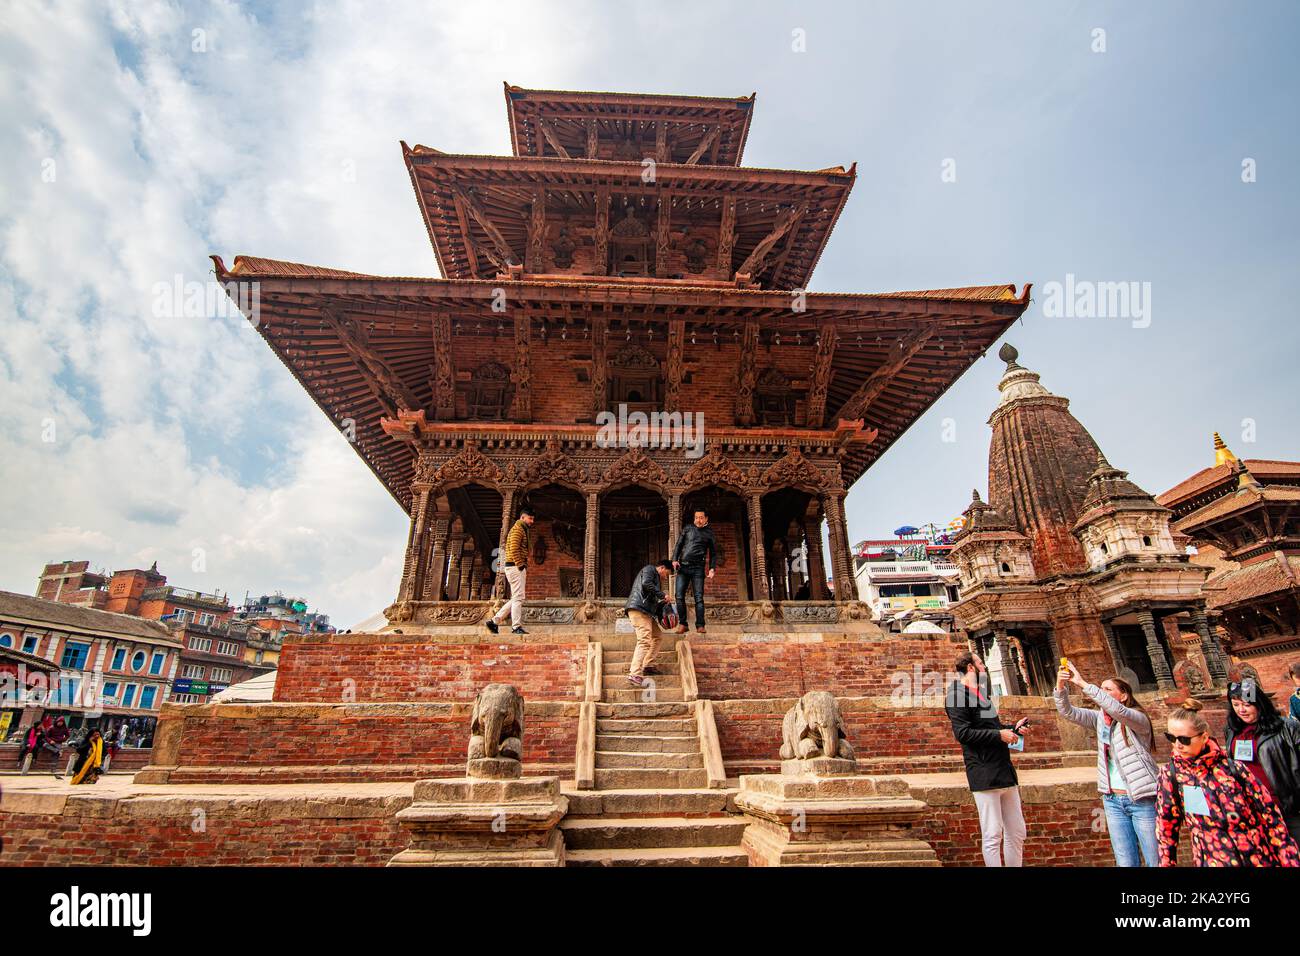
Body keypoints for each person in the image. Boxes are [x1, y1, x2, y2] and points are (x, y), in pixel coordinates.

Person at [1156, 697, 1298, 867]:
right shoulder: (1171, 776)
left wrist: (1289, 859)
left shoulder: (1233, 768)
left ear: (1204, 737)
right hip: (1213, 858)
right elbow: (1166, 827)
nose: (1177, 745)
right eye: (1171, 738)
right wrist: (1166, 862)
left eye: (1184, 739)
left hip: (1257, 857)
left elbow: (1270, 816)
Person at [1054, 661, 1159, 866]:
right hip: (1112, 800)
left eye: (1108, 689)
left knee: (1155, 859)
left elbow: (1116, 709)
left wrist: (1083, 683)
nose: (1102, 693)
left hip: (1141, 798)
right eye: (1101, 689)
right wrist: (1060, 686)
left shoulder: (1136, 718)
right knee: (1125, 861)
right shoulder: (1100, 719)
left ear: (1124, 695)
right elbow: (1068, 712)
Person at [944, 651, 1030, 866]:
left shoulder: (981, 693)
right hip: (983, 769)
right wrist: (998, 735)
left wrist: (1013, 729)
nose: (984, 667)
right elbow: (962, 733)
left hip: (1003, 767)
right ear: (971, 667)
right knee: (993, 833)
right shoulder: (957, 694)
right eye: (980, 663)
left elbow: (992, 728)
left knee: (1017, 831)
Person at [1224, 678, 1300, 843]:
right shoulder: (1232, 732)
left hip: (1287, 807)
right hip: (1253, 810)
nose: (1241, 710)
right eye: (1236, 705)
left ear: (1259, 704)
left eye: (1246, 704)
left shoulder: (1286, 727)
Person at [486, 506, 536, 636]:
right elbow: (514, 549)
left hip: (514, 566)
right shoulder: (518, 530)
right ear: (523, 517)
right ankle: (516, 627)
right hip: (515, 566)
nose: (531, 521)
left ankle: (494, 621)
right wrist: (520, 565)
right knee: (519, 598)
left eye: (532, 519)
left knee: (516, 597)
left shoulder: (521, 529)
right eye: (530, 518)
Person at [624, 560, 673, 687]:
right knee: (644, 640)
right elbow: (646, 584)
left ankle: (648, 665)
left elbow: (651, 598)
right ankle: (634, 673)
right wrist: (663, 595)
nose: (665, 577)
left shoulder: (655, 579)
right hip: (639, 609)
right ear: (662, 568)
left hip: (646, 612)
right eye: (666, 574)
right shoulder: (650, 569)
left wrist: (663, 604)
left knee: (657, 636)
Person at [671, 509, 718, 635]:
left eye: (701, 517)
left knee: (698, 598)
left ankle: (700, 625)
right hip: (683, 567)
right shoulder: (688, 529)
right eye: (696, 517)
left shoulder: (709, 533)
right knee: (679, 596)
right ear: (694, 518)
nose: (699, 520)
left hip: (698, 568)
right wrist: (674, 559)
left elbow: (713, 553)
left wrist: (712, 568)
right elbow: (678, 545)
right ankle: (683, 624)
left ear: (706, 519)